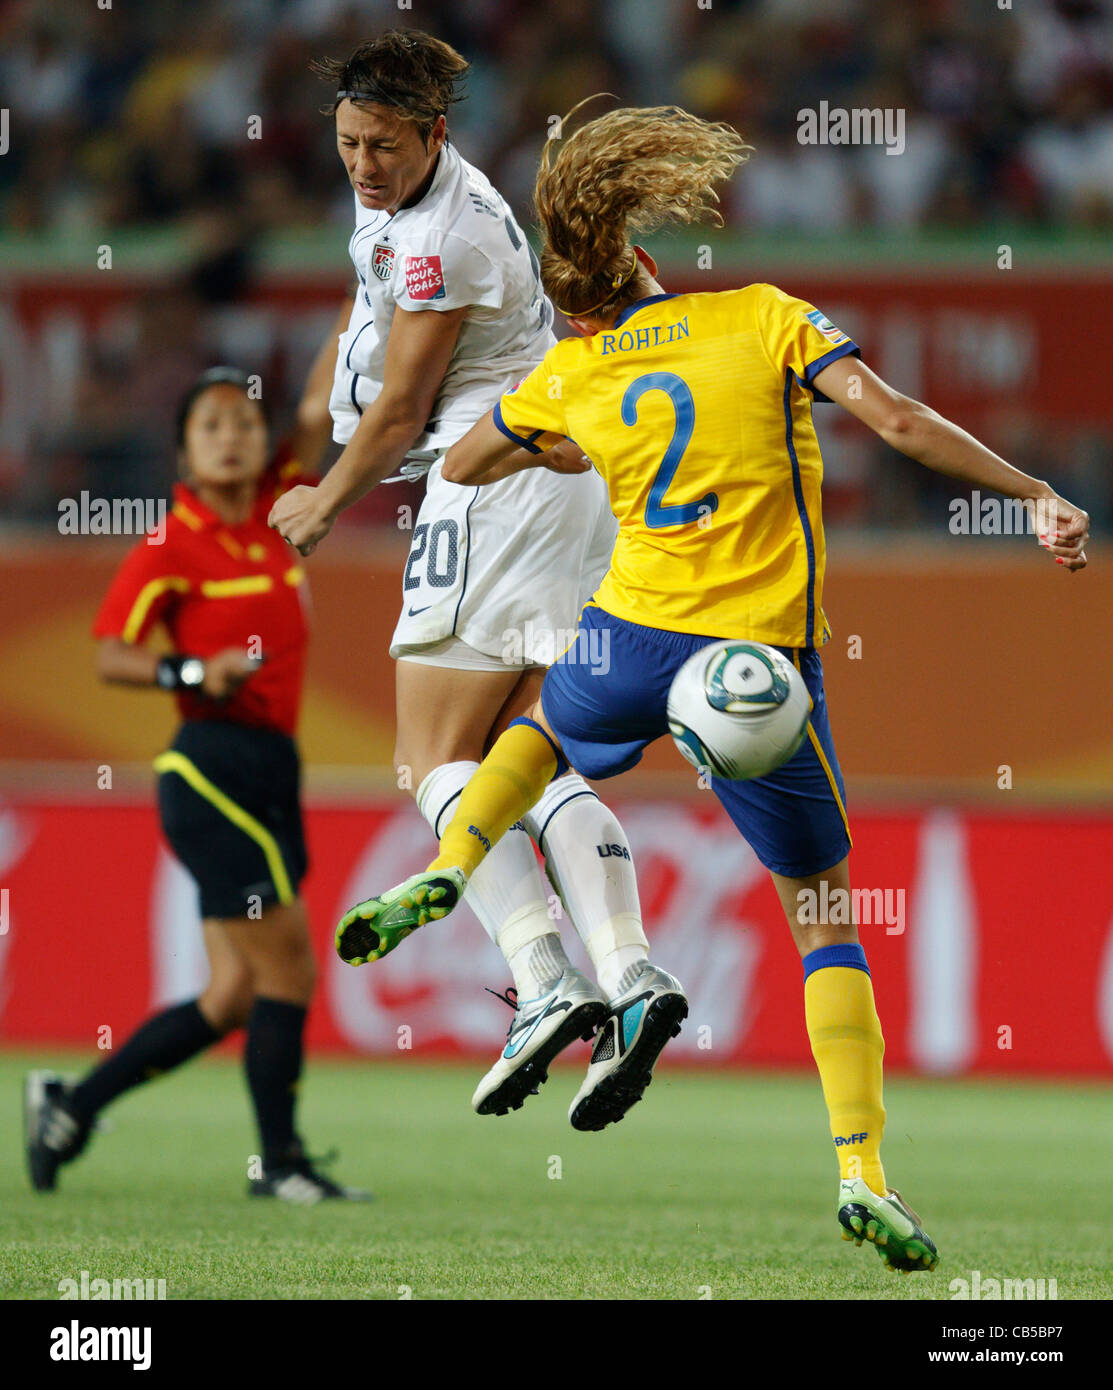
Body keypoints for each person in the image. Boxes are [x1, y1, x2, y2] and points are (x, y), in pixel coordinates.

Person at [335, 103, 1090, 1271]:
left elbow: (471, 456)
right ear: (647, 262)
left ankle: (447, 871)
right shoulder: (761, 316)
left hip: (627, 638)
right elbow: (895, 419)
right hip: (755, 661)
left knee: (530, 740)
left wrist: (559, 438)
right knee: (825, 914)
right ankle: (860, 1168)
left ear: (574, 302)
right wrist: (1033, 489)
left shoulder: (572, 369)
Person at [268, 32, 686, 1129]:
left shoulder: (447, 233)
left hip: (492, 481)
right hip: (551, 490)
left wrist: (325, 494)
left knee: (429, 755)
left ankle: (547, 979)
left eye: (383, 146)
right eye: (349, 143)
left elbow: (406, 407)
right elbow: (366, 324)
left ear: (435, 135)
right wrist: (328, 406)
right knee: (521, 753)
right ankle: (630, 971)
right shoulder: (401, 203)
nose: (362, 163)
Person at [24, 365, 368, 1204]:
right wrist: (191, 666)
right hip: (210, 770)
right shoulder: (167, 544)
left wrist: (370, 270)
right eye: (210, 423)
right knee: (289, 971)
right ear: (182, 450)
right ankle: (279, 1166)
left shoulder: (277, 505)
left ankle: (72, 1104)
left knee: (231, 995)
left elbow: (322, 405)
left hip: (271, 765)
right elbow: (111, 653)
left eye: (246, 420)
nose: (233, 434)